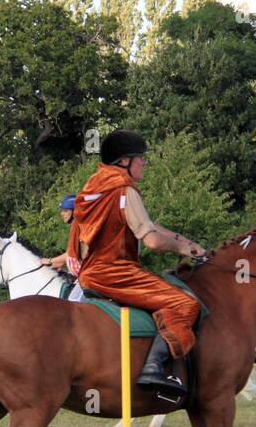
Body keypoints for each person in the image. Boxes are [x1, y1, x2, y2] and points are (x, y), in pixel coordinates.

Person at [69, 130, 205, 399]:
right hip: (116, 272)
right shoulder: (123, 189)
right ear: (124, 162)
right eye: (140, 158)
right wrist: (181, 248)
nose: (143, 163)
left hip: (90, 272)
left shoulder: (94, 186)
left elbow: (148, 225)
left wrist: (184, 240)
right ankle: (154, 367)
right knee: (185, 304)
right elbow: (152, 240)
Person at [41, 194, 85, 301]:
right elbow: (71, 256)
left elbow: (70, 254)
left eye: (65, 211)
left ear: (74, 211)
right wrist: (57, 264)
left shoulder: (79, 225)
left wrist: (49, 260)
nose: (62, 214)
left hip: (87, 276)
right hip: (79, 276)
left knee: (73, 301)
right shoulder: (76, 226)